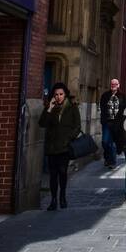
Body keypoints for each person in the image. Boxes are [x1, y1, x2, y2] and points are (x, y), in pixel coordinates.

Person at [38, 82, 81, 210]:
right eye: (56, 94)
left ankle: (62, 196)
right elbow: (42, 123)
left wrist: (69, 138)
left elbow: (77, 126)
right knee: (53, 174)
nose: (58, 97)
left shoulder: (72, 107)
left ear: (65, 95)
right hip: (52, 147)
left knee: (62, 173)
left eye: (61, 94)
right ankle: (53, 200)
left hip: (65, 147)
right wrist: (49, 108)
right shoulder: (50, 108)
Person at [98, 78, 126, 170]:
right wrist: (103, 120)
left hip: (117, 124)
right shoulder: (105, 95)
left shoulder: (123, 96)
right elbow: (102, 108)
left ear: (118, 85)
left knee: (114, 144)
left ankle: (112, 162)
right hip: (107, 122)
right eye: (112, 84)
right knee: (105, 142)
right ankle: (107, 157)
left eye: (115, 84)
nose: (113, 85)